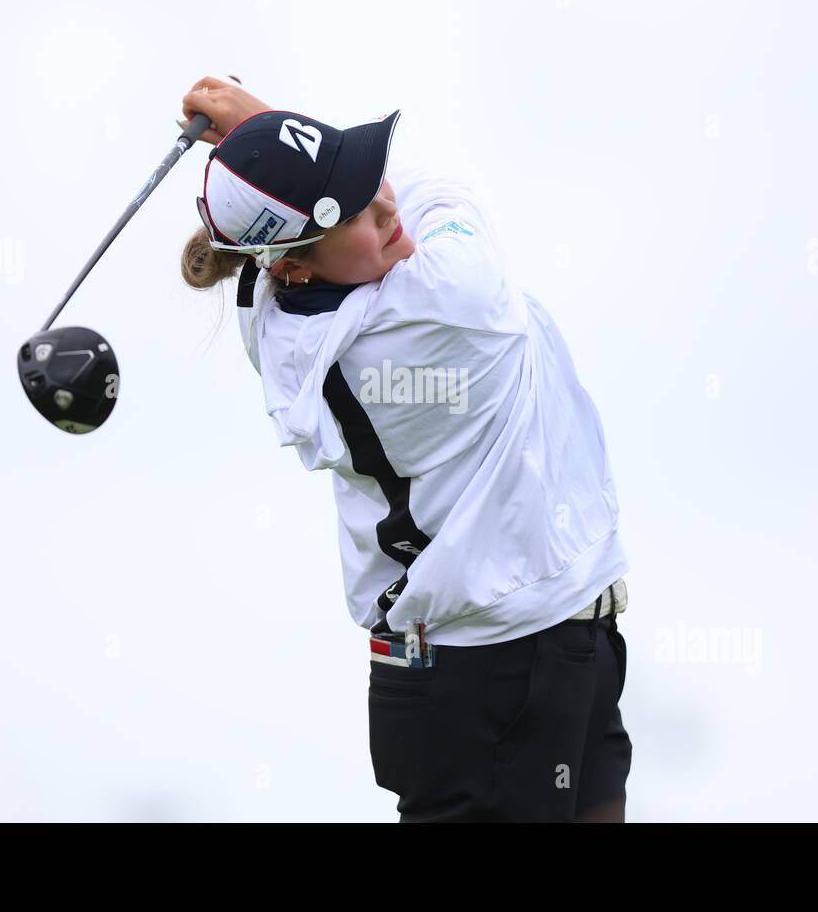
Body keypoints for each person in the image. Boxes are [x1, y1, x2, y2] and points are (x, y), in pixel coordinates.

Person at [178, 74, 632, 822]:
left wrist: (272, 154)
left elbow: (363, 210)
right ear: (291, 263)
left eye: (366, 180)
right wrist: (261, 118)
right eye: (350, 211)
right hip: (493, 677)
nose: (386, 208)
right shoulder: (445, 301)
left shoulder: (277, 303)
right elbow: (444, 195)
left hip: (541, 642)